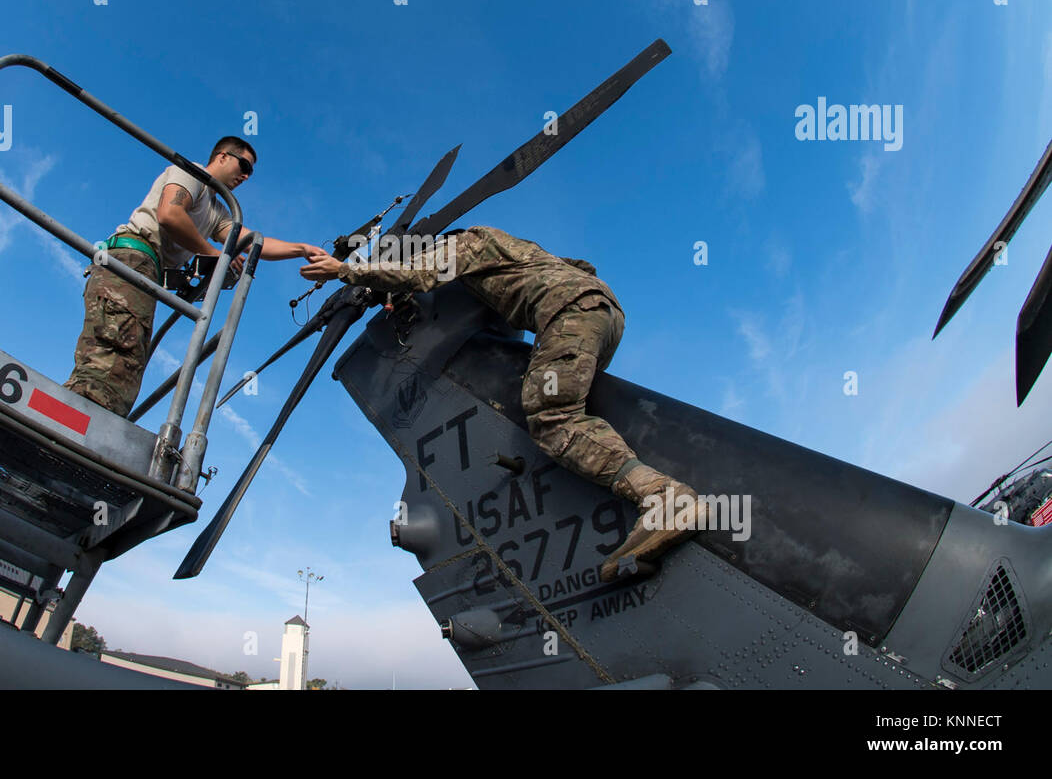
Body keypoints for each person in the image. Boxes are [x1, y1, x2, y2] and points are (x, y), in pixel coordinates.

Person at [299, 225, 705, 578]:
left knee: (551, 419)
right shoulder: (519, 250)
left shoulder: (471, 242)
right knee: (571, 406)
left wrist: (347, 270)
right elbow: (582, 269)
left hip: (567, 312)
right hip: (604, 313)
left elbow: (424, 272)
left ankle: (663, 498)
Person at [64, 137, 328, 417]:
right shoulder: (192, 174)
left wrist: (301, 249)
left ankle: (94, 427)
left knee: (127, 361)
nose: (246, 176)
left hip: (147, 272)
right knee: (112, 350)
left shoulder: (217, 210)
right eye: (244, 166)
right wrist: (213, 254)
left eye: (251, 173)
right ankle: (73, 422)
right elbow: (170, 214)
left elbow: (250, 242)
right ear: (223, 157)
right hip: (132, 258)